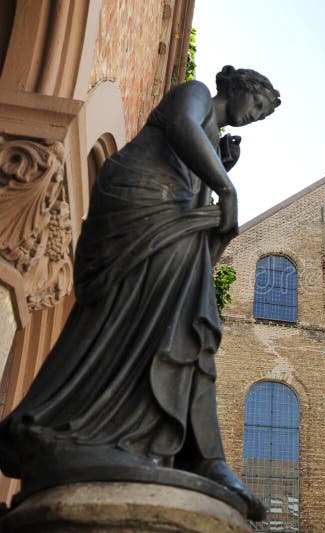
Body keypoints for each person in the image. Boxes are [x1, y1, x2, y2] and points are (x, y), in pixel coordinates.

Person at [0, 66, 279, 520]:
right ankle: (99, 432)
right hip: (146, 212)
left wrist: (218, 168)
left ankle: (196, 456)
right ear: (242, 88)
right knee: (147, 324)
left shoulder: (212, 135)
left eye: (263, 116)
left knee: (188, 331)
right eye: (259, 106)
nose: (256, 117)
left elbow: (193, 185)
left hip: (174, 227)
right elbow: (180, 127)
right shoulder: (196, 95)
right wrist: (224, 185)